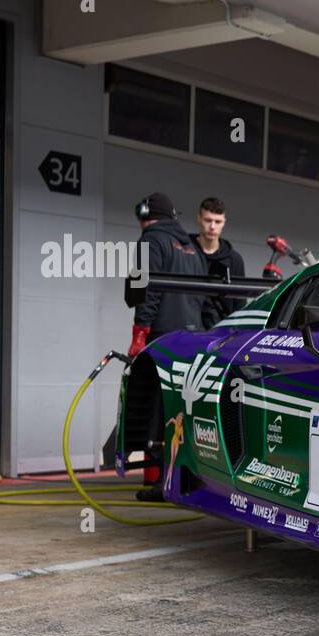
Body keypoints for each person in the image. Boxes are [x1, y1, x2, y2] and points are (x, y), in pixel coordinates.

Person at [127, 192, 210, 501]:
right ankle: (187, 481)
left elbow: (142, 290)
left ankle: (163, 484)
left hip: (162, 339)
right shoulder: (193, 247)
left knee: (159, 410)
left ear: (146, 218)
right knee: (184, 410)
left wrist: (140, 332)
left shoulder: (150, 241)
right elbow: (204, 298)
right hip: (194, 339)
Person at [190, 196, 248, 320]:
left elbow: (239, 304)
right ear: (199, 219)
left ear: (224, 222)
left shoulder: (234, 260)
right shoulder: (185, 251)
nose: (212, 226)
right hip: (186, 326)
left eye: (217, 222)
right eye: (207, 220)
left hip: (221, 330)